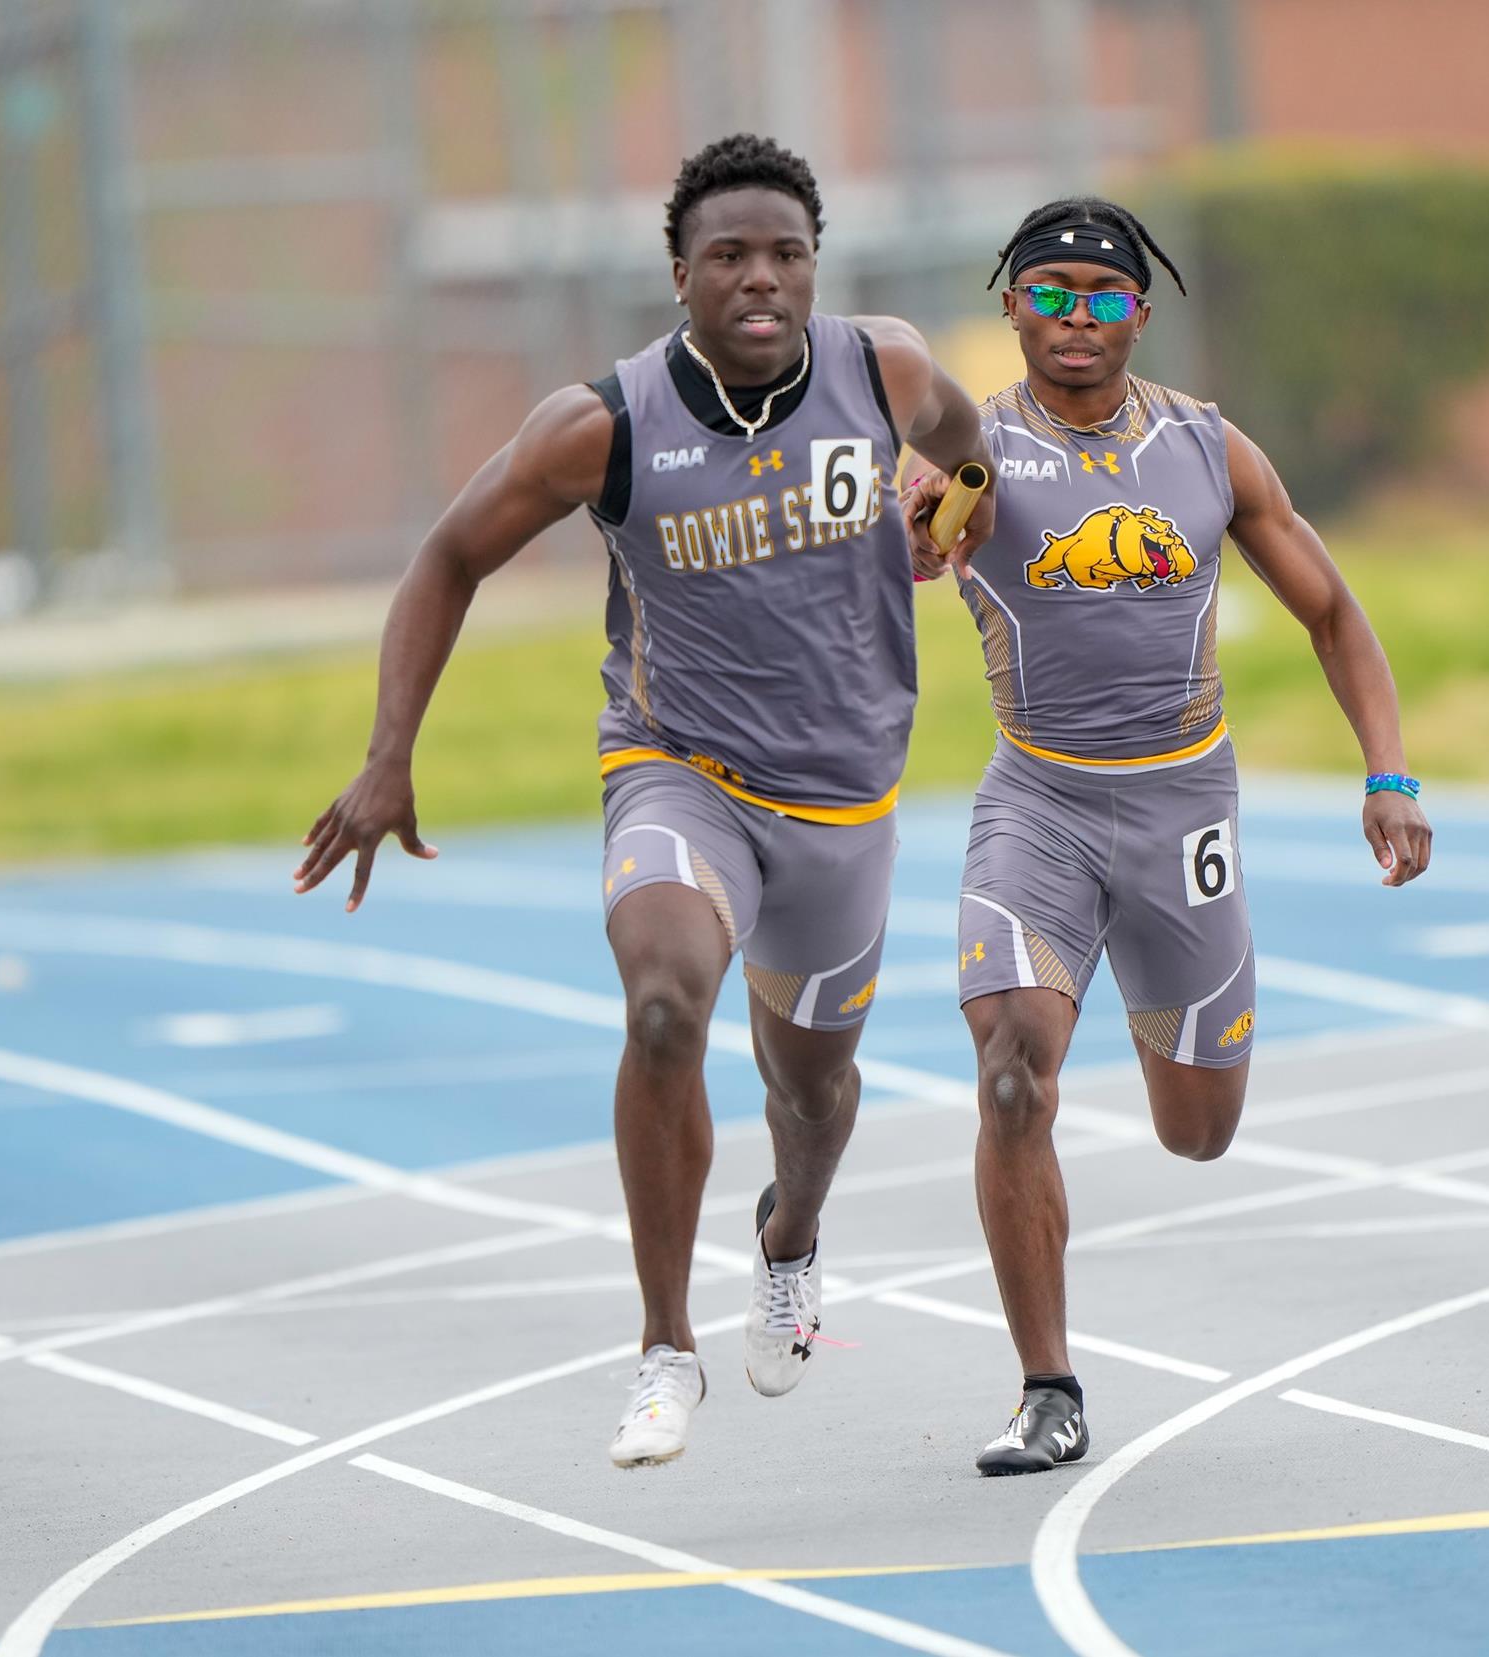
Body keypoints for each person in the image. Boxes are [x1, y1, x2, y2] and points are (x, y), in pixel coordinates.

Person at [294, 134, 993, 1467]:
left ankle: (789, 1238)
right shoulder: (603, 425)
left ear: (814, 268)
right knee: (665, 1002)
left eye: (785, 254)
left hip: (844, 798)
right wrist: (389, 756)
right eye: (729, 256)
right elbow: (449, 554)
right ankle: (665, 1346)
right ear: (681, 276)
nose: (761, 279)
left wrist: (942, 529)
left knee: (814, 1089)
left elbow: (971, 446)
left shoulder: (882, 366)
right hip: (680, 771)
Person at [902, 198, 1432, 1475]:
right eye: (1048, 292)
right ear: (1012, 304)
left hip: (1186, 808)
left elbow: (1333, 612)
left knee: (1197, 1130)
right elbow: (918, 544)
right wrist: (916, 522)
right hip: (1037, 803)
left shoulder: (1207, 448)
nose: (1074, 318)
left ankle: (1178, 1021)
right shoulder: (980, 449)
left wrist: (1389, 772)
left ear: (1140, 311)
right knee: (1014, 1067)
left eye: (1101, 295)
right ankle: (1047, 1387)